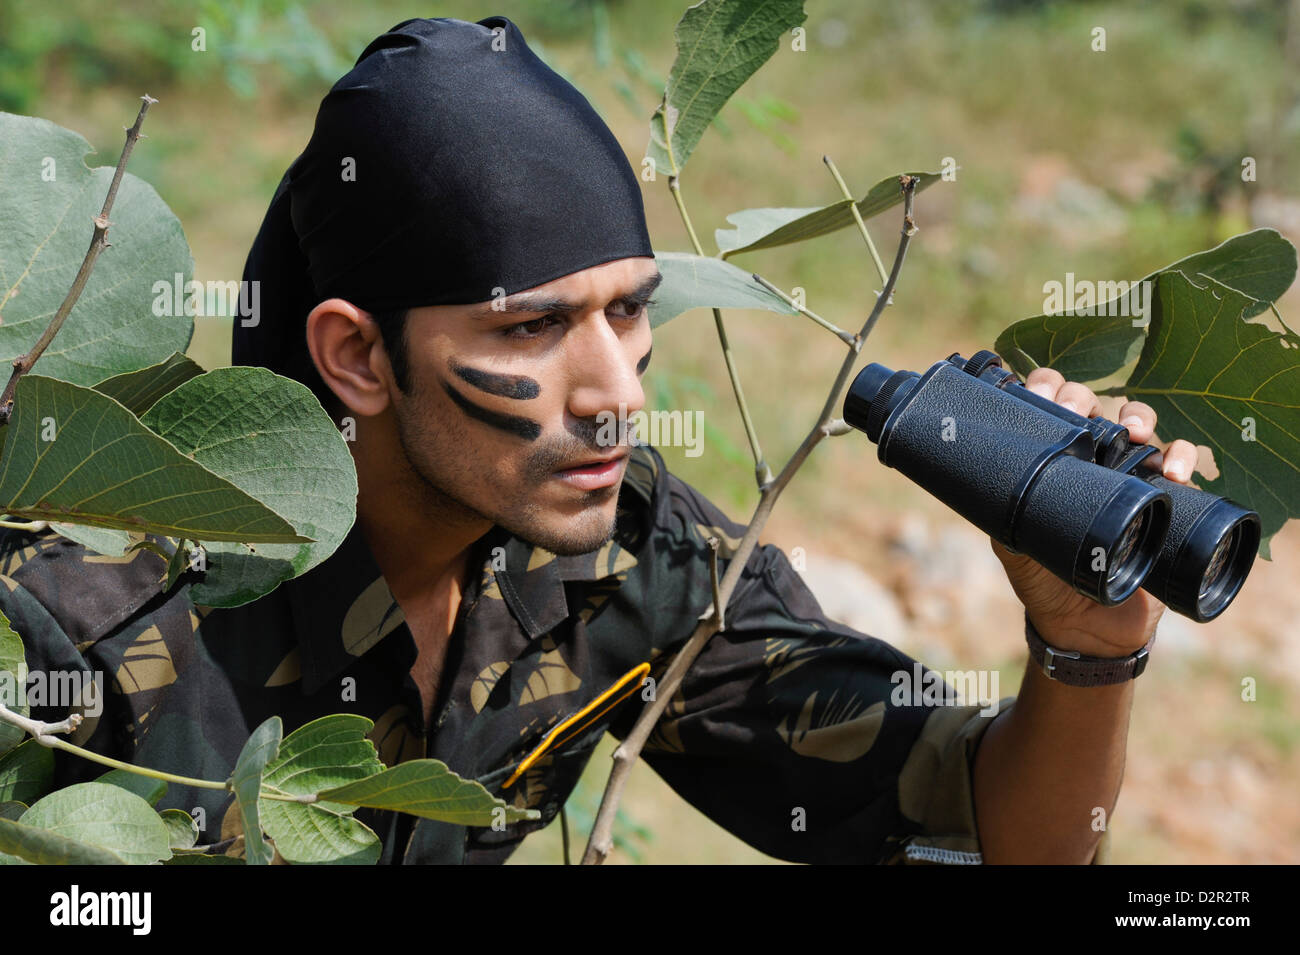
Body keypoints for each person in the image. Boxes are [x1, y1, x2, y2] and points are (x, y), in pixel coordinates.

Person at [0, 15, 1200, 865]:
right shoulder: (88, 614)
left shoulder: (627, 550)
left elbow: (987, 831)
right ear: (357, 356)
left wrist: (1088, 643)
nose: (617, 391)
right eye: (531, 326)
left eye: (628, 309)